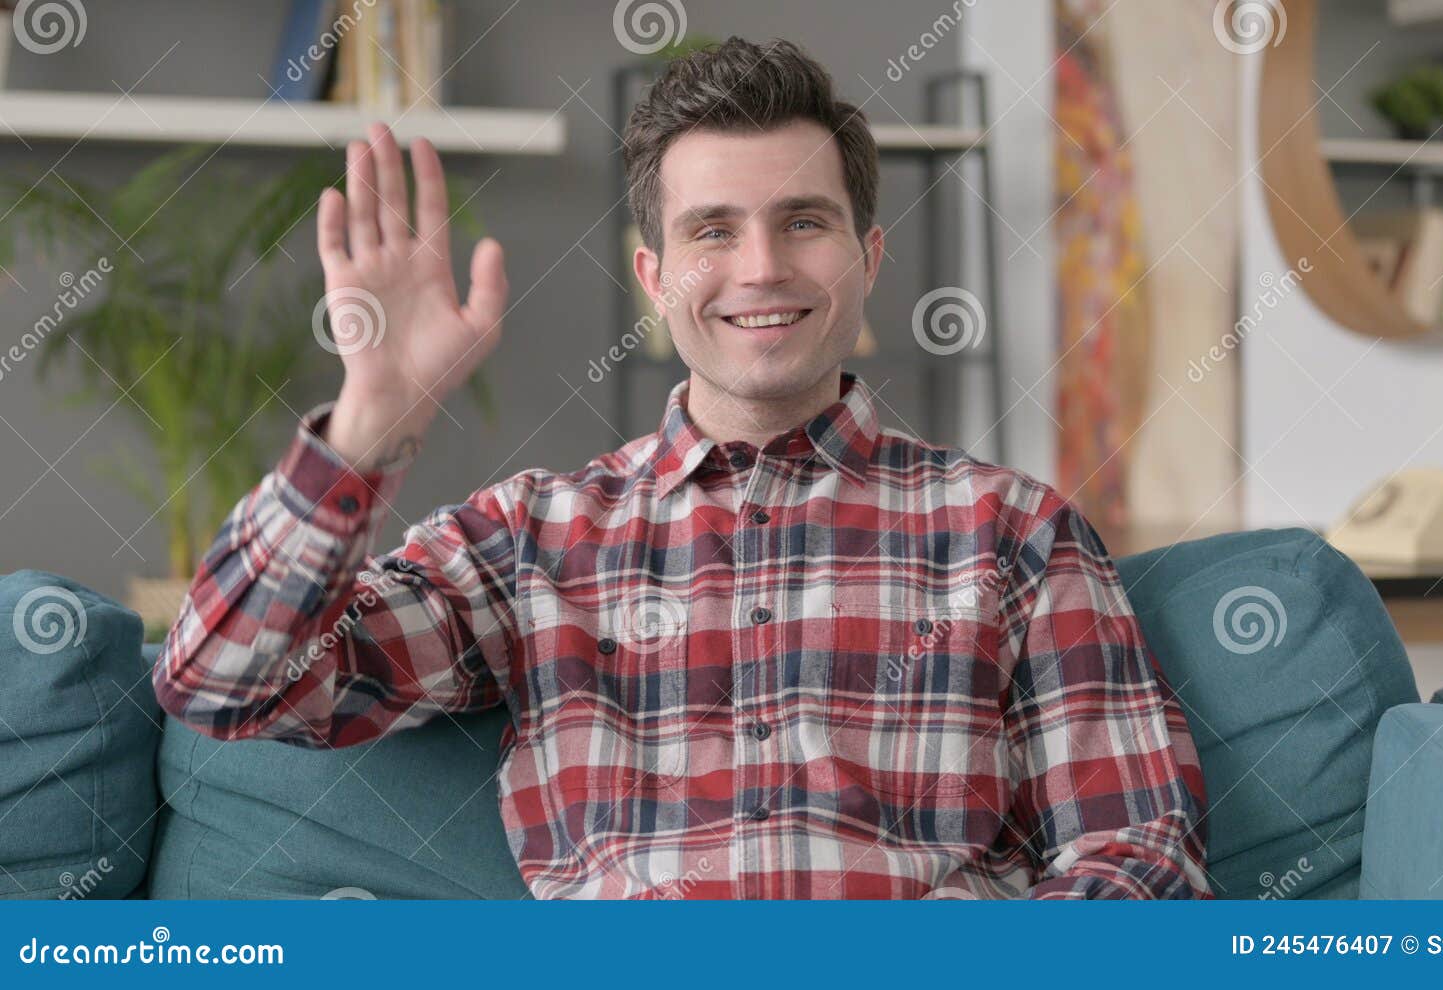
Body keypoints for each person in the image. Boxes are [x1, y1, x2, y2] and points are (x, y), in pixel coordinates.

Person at [152, 36, 1209, 899]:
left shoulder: (1014, 532)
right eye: (714, 231)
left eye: (804, 221)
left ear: (868, 257)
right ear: (654, 279)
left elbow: (1141, 858)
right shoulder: (531, 541)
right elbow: (224, 686)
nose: (761, 268)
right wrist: (368, 428)